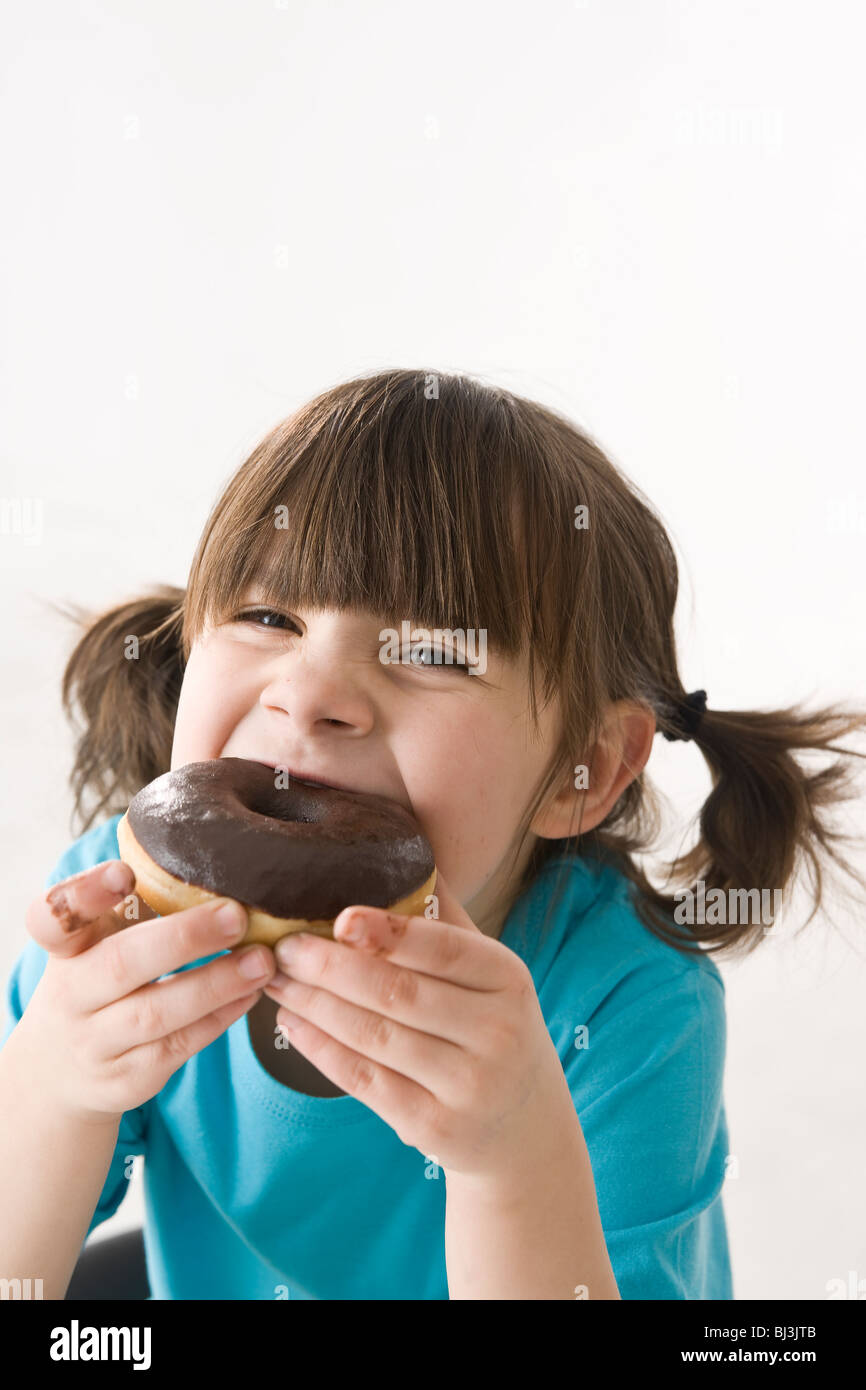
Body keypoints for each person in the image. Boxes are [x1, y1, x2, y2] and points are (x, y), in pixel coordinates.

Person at [2, 368, 864, 1300]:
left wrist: (512, 1159)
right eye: (266, 616)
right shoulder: (120, 914)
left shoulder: (627, 1001)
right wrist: (53, 1085)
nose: (312, 694)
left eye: (433, 651)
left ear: (588, 766)